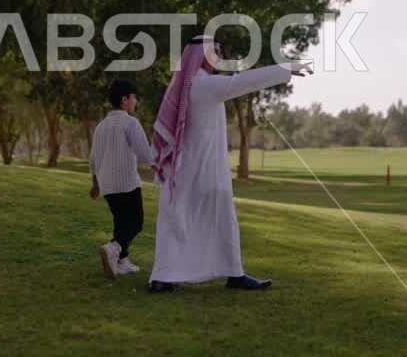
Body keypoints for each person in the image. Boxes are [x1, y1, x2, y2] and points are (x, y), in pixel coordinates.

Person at [148, 34, 312, 293]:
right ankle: (164, 277)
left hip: (204, 169)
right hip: (193, 169)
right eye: (215, 51)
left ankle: (231, 274)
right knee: (181, 220)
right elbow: (242, 82)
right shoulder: (203, 84)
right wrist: (284, 69)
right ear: (200, 55)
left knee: (208, 219)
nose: (220, 56)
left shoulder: (195, 84)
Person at [89, 79, 155, 278]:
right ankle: (113, 248)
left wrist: (95, 185)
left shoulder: (101, 126)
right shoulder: (130, 122)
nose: (136, 101)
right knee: (135, 222)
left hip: (107, 185)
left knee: (121, 222)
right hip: (126, 183)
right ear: (125, 100)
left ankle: (122, 261)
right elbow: (145, 154)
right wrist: (162, 168)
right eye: (134, 98)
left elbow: (93, 158)